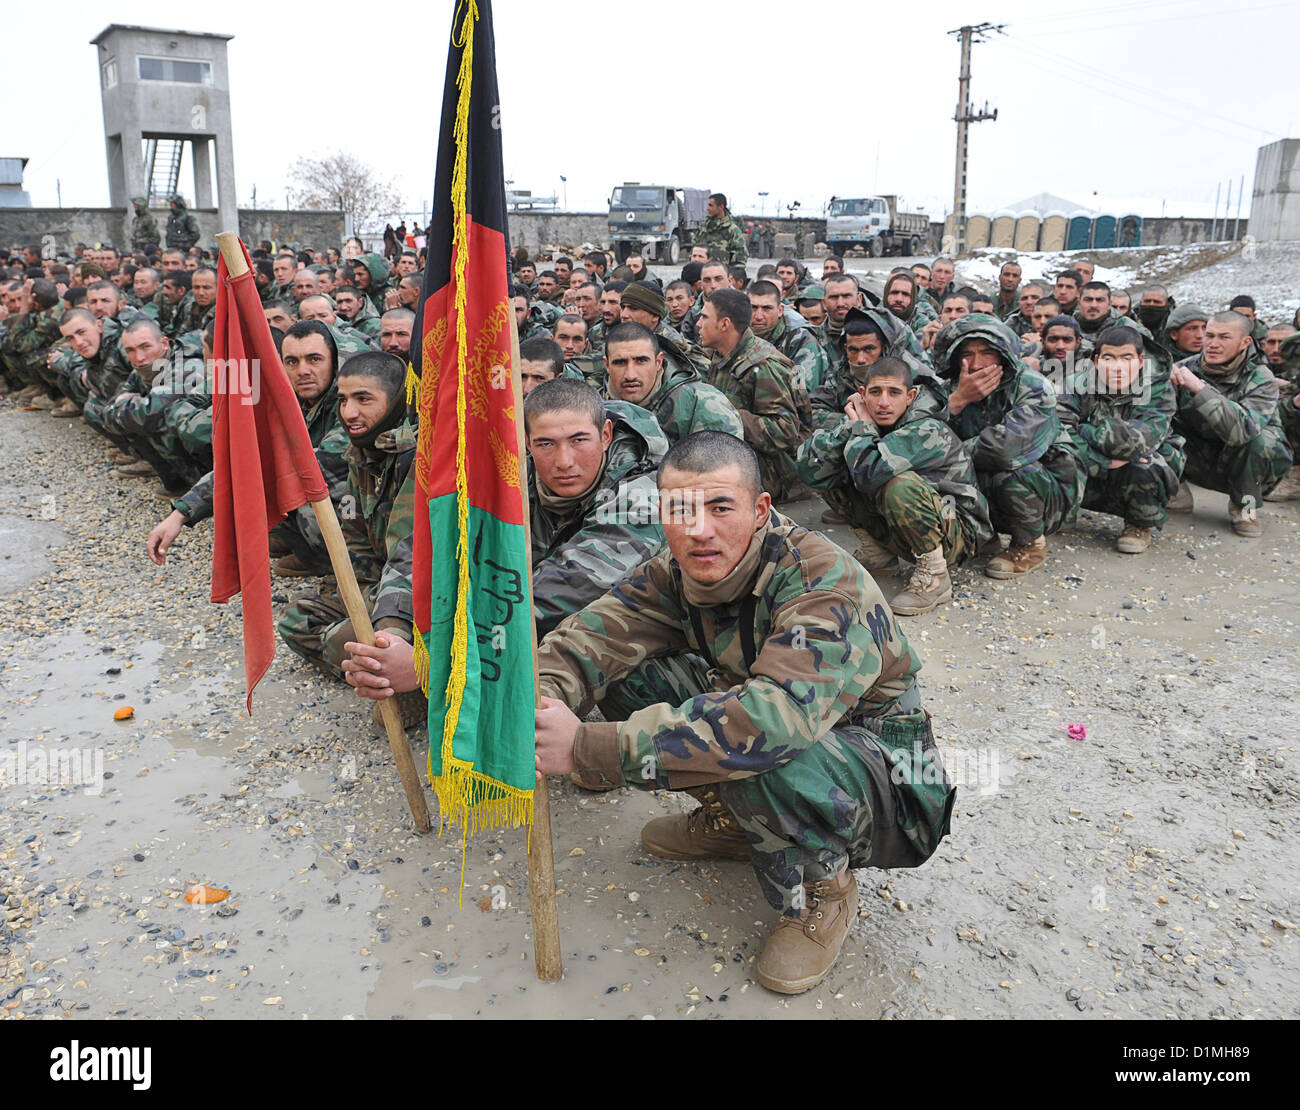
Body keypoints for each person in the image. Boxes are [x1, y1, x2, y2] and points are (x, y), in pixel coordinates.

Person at [532, 431, 954, 995]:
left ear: (759, 511)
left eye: (720, 507)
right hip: (789, 730)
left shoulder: (822, 583)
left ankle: (821, 888)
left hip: (890, 783)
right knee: (627, 673)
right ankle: (739, 825)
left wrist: (588, 748)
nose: (698, 530)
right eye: (680, 510)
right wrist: (539, 700)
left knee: (760, 747)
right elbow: (592, 637)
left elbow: (770, 723)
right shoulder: (676, 570)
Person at [798, 357, 997, 613]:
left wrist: (861, 427)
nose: (883, 402)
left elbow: (868, 473)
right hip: (913, 527)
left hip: (958, 532)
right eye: (875, 392)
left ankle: (935, 575)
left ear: (910, 396)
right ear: (862, 395)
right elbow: (810, 470)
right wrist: (851, 427)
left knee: (898, 485)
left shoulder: (926, 429)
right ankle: (880, 553)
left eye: (894, 393)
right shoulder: (868, 421)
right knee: (833, 468)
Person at [277, 352, 417, 681]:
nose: (349, 413)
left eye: (363, 399)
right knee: (296, 620)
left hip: (417, 599)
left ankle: (406, 679)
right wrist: (355, 596)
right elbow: (356, 540)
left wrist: (385, 626)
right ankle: (374, 671)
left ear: (396, 401)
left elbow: (412, 560)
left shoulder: (418, 459)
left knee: (342, 639)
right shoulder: (361, 454)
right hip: (377, 588)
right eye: (342, 400)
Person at [934, 314, 1085, 578]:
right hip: (975, 479)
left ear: (1003, 354)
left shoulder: (1033, 386)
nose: (977, 364)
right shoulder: (951, 387)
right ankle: (979, 536)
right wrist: (958, 401)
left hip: (1046, 492)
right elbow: (917, 435)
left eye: (987, 353)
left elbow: (1005, 449)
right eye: (967, 354)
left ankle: (1030, 544)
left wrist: (943, 456)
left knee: (1013, 471)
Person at [1057, 326, 1184, 554]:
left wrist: (1085, 430)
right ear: (1097, 361)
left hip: (1133, 467)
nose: (1117, 367)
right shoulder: (1075, 384)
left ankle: (1139, 523)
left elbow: (1137, 442)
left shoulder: (1157, 388)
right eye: (1109, 358)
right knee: (1055, 453)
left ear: (1140, 361)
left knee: (1148, 463)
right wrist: (1103, 462)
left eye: (1126, 358)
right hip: (1095, 466)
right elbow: (1058, 431)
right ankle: (1065, 509)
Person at [1167, 312, 1292, 537]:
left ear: (1245, 342)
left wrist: (1200, 389)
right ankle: (1176, 490)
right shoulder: (1182, 369)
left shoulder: (1260, 377)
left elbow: (1241, 433)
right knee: (1160, 426)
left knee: (1260, 441)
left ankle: (1245, 506)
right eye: (1210, 336)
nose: (1213, 344)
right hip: (1199, 455)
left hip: (1244, 461)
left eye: (1224, 337)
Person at [698, 288, 808, 500]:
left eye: (704, 317)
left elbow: (785, 432)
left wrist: (728, 416)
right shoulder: (721, 355)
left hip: (774, 472)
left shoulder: (762, 365)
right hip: (738, 455)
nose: (698, 324)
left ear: (724, 324)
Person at [602, 321, 742, 445]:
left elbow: (726, 463)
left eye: (641, 361)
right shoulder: (595, 408)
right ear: (607, 365)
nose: (630, 375)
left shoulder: (702, 404)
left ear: (658, 362)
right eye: (620, 362)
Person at [748, 279, 830, 393]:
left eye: (767, 308)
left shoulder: (800, 340)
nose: (758, 316)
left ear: (780, 310)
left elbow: (801, 393)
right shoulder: (735, 333)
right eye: (753, 308)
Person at [695, 193, 747, 265]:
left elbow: (740, 256)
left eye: (711, 205)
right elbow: (694, 248)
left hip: (722, 271)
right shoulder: (704, 227)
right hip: (702, 270)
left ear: (721, 207)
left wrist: (732, 271)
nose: (707, 208)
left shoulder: (732, 230)